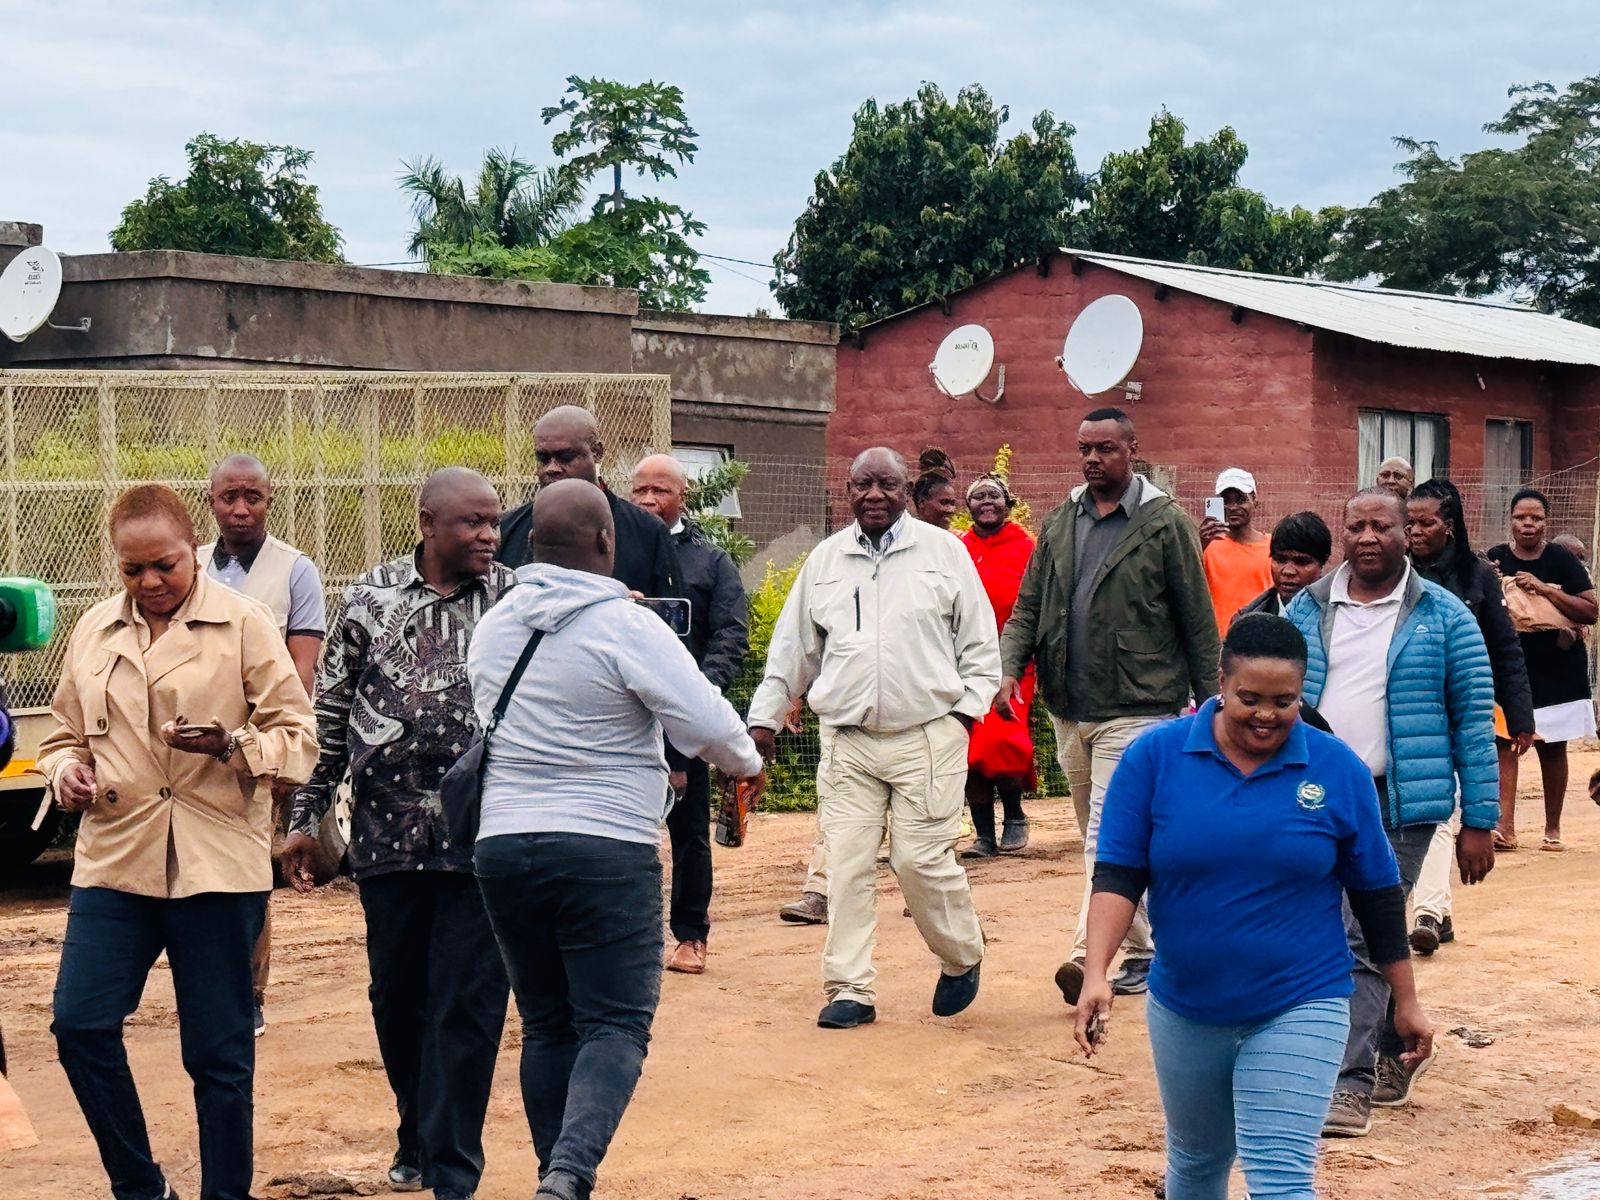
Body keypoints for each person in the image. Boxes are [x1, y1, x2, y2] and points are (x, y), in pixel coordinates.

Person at [469, 479, 765, 1200]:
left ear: (532, 546)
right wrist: (748, 763)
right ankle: (570, 1173)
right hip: (604, 847)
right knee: (616, 1024)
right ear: (607, 542)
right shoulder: (627, 627)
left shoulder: (495, 626)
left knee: (547, 1024)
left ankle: (555, 1177)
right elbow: (708, 725)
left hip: (503, 845)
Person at [1075, 614, 1430, 1200]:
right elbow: (1119, 874)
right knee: (1196, 1161)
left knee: (1280, 1176)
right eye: (1250, 698)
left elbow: (1377, 897)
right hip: (1186, 1004)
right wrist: (1096, 972)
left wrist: (1407, 1001)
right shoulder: (1155, 758)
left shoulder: (1336, 768)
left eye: (1284, 701)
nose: (1266, 714)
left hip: (1302, 999)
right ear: (1220, 682)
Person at [41, 484, 317, 1200]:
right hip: (115, 860)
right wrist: (66, 773)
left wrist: (231, 744)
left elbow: (299, 740)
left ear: (193, 548)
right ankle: (141, 1187)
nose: (150, 582)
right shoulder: (95, 629)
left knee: (219, 1057)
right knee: (80, 1025)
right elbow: (63, 737)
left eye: (164, 564)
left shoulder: (245, 624)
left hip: (215, 865)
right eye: (132, 569)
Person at [281, 468, 514, 1200]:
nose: (488, 535)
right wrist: (302, 819)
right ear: (428, 523)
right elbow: (329, 716)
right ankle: (417, 1129)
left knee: (468, 1003)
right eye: (473, 522)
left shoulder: (515, 599)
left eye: (493, 522)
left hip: (482, 838)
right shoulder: (370, 598)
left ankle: (453, 1167)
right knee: (398, 996)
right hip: (385, 836)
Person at [747, 447, 999, 1030]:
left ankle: (961, 953)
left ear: (907, 492)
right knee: (847, 864)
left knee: (919, 861)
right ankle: (849, 988)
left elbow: (981, 648)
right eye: (863, 484)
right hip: (849, 741)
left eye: (887, 484)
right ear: (849, 491)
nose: (875, 495)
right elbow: (791, 652)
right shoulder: (826, 560)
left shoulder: (944, 554)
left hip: (927, 736)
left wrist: (961, 718)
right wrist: (763, 722)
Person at [1284, 488, 1496, 1137]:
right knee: (1321, 926)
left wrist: (1479, 819)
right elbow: (1275, 694)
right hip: (1318, 796)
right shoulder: (1308, 607)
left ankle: (1347, 1083)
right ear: (1342, 533)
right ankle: (1390, 1044)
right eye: (1357, 526)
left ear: (1408, 534)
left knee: (1364, 931)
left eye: (1383, 525)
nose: (1369, 536)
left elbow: (1473, 721)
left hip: (1400, 802)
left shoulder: (1445, 616)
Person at [998, 407, 1219, 1006]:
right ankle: (1145, 948)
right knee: (1110, 838)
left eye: (1105, 448)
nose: (1093, 459)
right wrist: (1008, 668)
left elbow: (1198, 622)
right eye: (1085, 449)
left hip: (1140, 705)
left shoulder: (1165, 523)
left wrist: (1213, 708)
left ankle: (1084, 957)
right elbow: (1027, 606)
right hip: (1069, 706)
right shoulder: (1060, 521)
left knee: (1103, 835)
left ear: (1132, 449)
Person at [200, 452, 327, 1039]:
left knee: (250, 872)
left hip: (256, 751)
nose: (241, 508)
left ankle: (249, 995)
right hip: (193, 750)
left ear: (269, 501)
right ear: (211, 502)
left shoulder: (295, 571)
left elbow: (301, 672)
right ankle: (203, 987)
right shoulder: (189, 565)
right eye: (229, 497)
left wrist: (272, 751)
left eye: (253, 497)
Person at [630, 453, 751, 975]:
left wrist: (699, 694)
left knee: (688, 832)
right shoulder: (614, 553)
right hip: (623, 717)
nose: (648, 500)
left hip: (683, 720)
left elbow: (731, 633)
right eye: (640, 491)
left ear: (684, 496)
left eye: (660, 491)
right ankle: (630, 936)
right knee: (624, 833)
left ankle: (689, 936)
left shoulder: (710, 561)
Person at [1406, 478, 1534, 953]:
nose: (1415, 532)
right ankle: (1433, 912)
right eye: (1410, 523)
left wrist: (1520, 716)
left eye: (1426, 522)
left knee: (1444, 805)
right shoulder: (1395, 573)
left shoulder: (1479, 575)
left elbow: (1505, 649)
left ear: (1450, 524)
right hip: (1411, 708)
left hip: (1465, 706)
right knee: (1436, 808)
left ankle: (1430, 911)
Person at [1486, 488, 1598, 851]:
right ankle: (1505, 828)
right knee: (1506, 743)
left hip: (1558, 668)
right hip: (1510, 666)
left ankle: (1553, 828)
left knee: (1552, 748)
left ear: (1546, 523)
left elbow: (1590, 611)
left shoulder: (1561, 559)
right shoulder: (1496, 558)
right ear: (1511, 521)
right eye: (1521, 517)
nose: (1528, 524)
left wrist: (1545, 591)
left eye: (1535, 518)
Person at [496, 405, 678, 598]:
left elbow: (672, 611)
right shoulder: (507, 529)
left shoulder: (647, 531)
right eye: (543, 458)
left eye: (565, 457)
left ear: (597, 452)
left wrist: (630, 608)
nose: (551, 468)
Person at [959, 474, 1037, 857]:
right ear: (968, 506)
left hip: (1015, 663)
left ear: (1008, 503)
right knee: (967, 749)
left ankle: (1015, 814)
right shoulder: (958, 548)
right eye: (979, 497)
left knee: (1002, 740)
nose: (987, 502)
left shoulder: (1027, 547)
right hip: (965, 663)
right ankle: (984, 835)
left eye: (994, 496)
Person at [1200, 467, 1271, 630]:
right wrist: (1198, 545)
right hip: (1217, 639)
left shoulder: (1273, 548)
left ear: (1255, 501)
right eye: (1226, 500)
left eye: (1240, 500)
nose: (1232, 507)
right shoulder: (1208, 546)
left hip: (1259, 637)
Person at [1233, 511, 1332, 622]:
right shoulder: (1245, 621)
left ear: (1322, 563)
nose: (1288, 571)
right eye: (1280, 560)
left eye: (1301, 562)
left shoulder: (1340, 617)